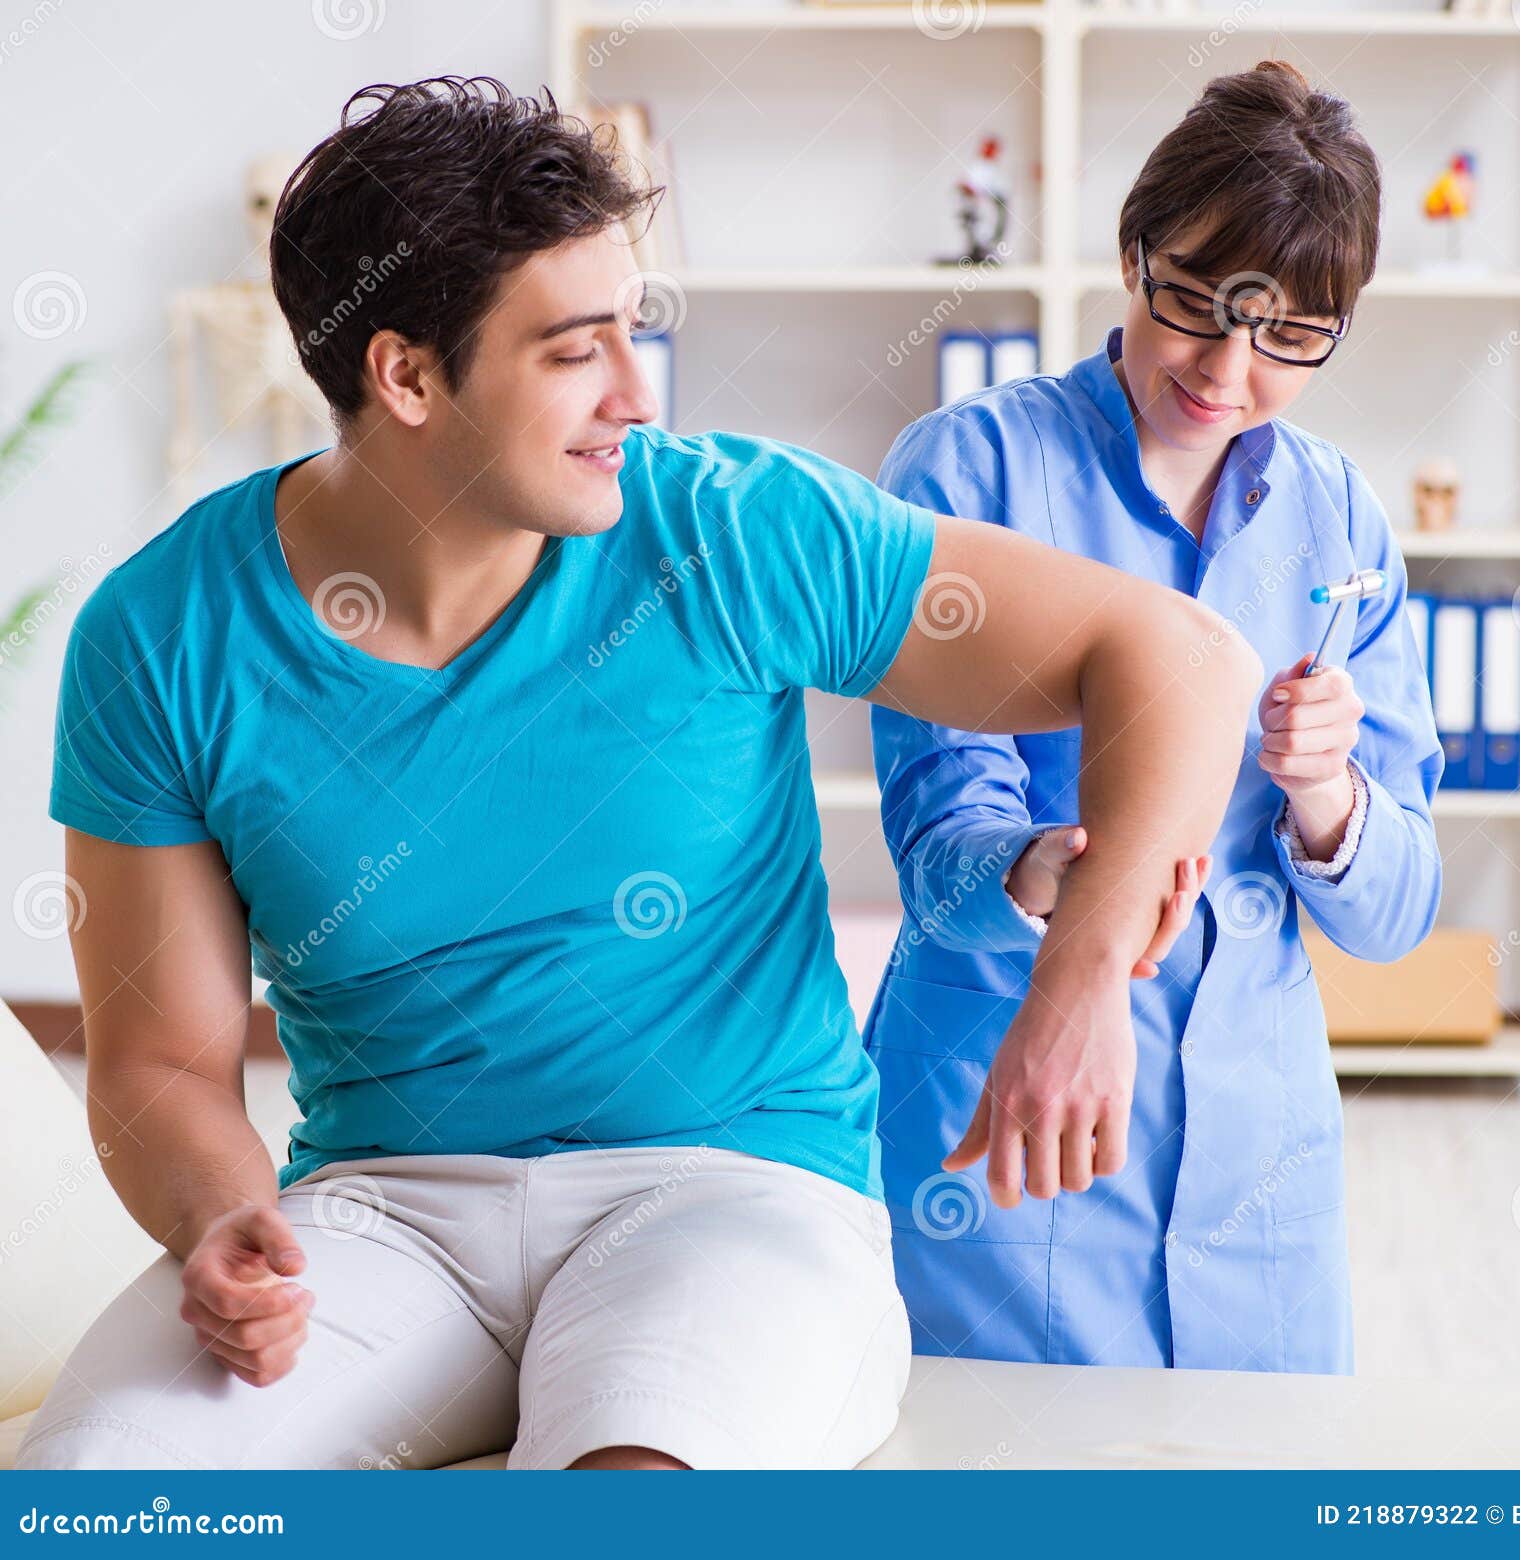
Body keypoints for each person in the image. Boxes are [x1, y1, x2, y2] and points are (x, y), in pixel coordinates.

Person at [18, 77, 1259, 1471]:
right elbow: (163, 1062)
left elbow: (1179, 657)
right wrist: (225, 1217)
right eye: (573, 351)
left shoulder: (724, 527)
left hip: (731, 1195)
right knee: (95, 1485)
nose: (635, 394)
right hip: (382, 1215)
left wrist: (1084, 978)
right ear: (406, 375)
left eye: (633, 332)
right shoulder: (166, 632)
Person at [864, 60, 1444, 1375]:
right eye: (1196, 305)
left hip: (1259, 1169)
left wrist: (1330, 797)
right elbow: (939, 856)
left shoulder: (1339, 517)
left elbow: (1399, 911)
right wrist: (1077, 879)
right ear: (1134, 254)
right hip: (1006, 1120)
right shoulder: (969, 470)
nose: (1229, 372)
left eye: (1291, 337)